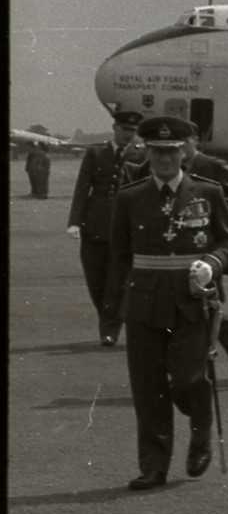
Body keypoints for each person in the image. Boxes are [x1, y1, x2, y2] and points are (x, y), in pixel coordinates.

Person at [108, 116, 228, 490]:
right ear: (147, 152)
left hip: (192, 301)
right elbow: (118, 256)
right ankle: (154, 465)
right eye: (156, 151)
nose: (164, 158)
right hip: (144, 302)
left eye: (171, 151)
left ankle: (201, 428)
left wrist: (212, 265)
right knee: (148, 387)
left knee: (187, 380)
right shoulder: (130, 197)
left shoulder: (209, 192)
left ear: (184, 151)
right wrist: (114, 308)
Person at [181, 129, 228, 386]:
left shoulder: (212, 166)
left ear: (195, 141)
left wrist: (217, 211)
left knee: (209, 306)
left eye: (184, 141)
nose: (177, 148)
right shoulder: (160, 167)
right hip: (173, 248)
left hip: (207, 249)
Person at [69, 110, 143, 346]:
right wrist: (74, 222)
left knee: (118, 280)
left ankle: (110, 328)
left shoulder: (141, 156)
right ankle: (108, 319)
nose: (128, 135)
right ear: (115, 128)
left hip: (125, 227)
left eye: (132, 131)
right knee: (95, 279)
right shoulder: (95, 152)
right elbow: (82, 187)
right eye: (124, 130)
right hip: (94, 224)